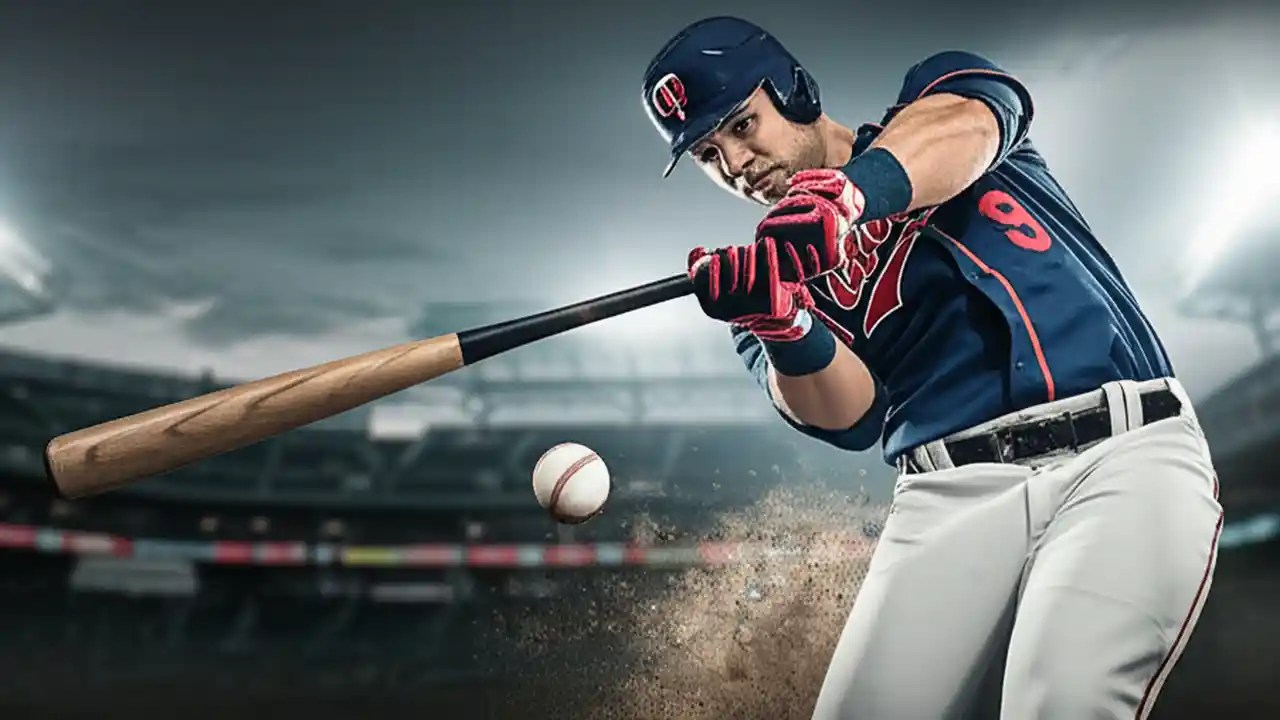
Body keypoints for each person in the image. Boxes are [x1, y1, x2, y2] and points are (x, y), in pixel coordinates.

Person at [641, 16, 1223, 720]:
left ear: (792, 89)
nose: (734, 163)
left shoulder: (934, 100)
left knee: (1062, 704)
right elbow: (850, 417)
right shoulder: (764, 286)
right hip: (949, 495)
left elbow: (967, 130)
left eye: (740, 126)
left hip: (1119, 455)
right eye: (707, 154)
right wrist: (782, 323)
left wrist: (848, 197)